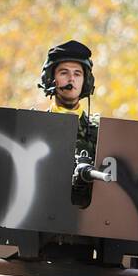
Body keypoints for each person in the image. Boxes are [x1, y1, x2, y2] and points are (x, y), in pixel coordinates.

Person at [37, 40, 100, 206]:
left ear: (86, 82)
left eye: (77, 74)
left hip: (90, 224)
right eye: (64, 73)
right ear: (51, 79)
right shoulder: (34, 128)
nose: (71, 78)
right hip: (41, 221)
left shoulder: (101, 132)